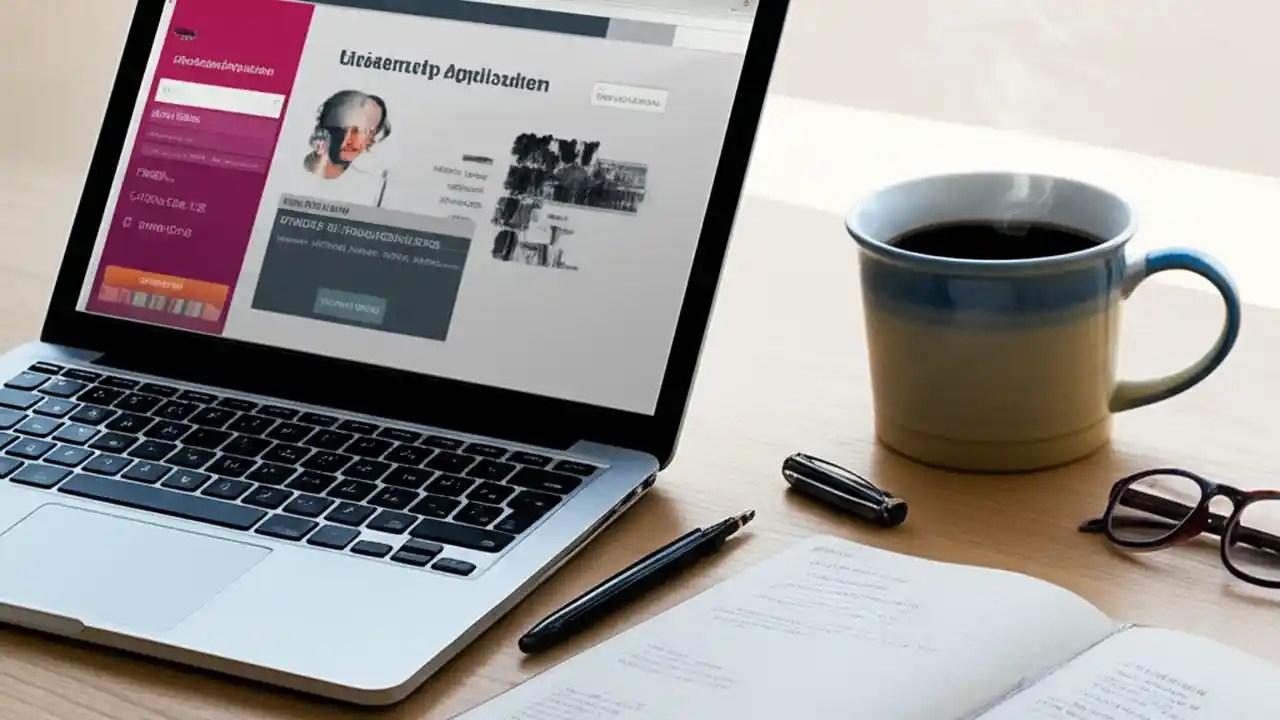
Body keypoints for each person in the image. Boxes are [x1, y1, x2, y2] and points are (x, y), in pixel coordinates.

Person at [297, 90, 392, 206]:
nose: (349, 141)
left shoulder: (371, 188)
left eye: (363, 131)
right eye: (343, 129)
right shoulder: (287, 166)